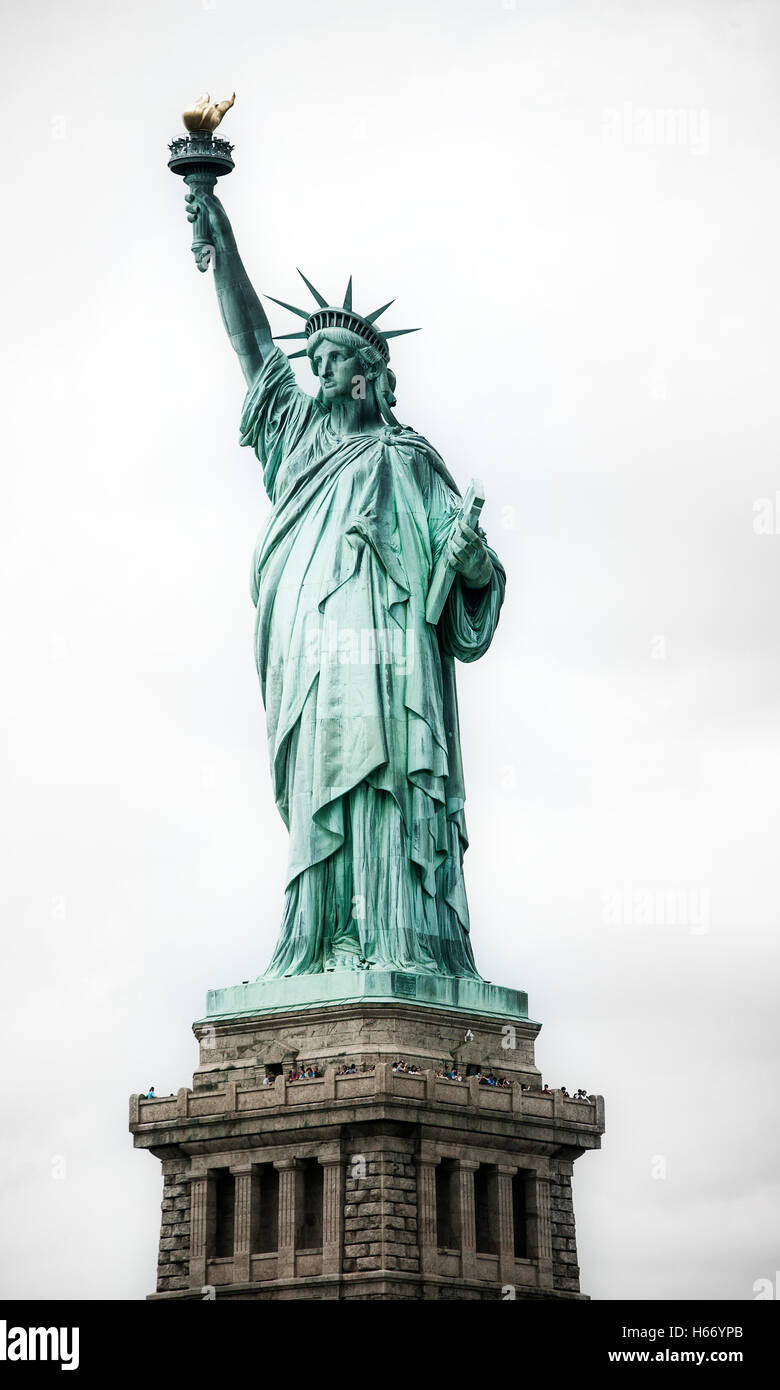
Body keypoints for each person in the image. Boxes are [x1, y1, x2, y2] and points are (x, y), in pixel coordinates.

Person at [182, 190, 506, 979]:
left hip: (393, 659)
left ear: (370, 375)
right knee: (322, 775)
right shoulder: (293, 434)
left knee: (386, 779)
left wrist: (467, 562)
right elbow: (251, 341)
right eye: (314, 360)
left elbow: (472, 573)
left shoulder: (409, 458)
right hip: (312, 648)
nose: (318, 369)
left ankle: (397, 938)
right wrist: (216, 229)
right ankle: (318, 940)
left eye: (334, 360)